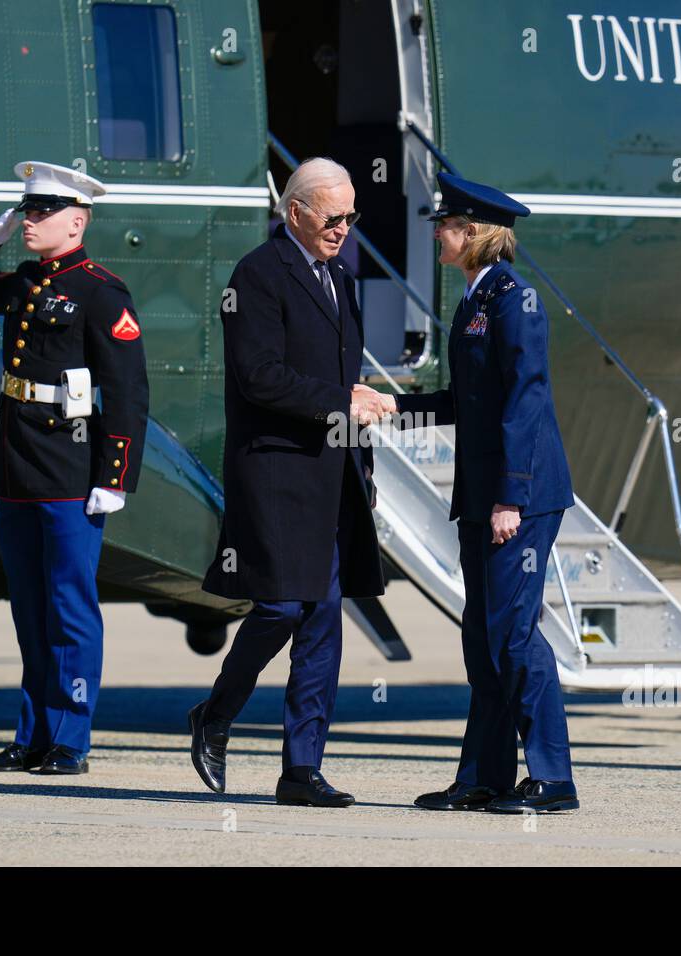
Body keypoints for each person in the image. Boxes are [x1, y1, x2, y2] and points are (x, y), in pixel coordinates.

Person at [361, 172, 579, 813]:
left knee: (515, 635)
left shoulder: (516, 301)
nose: (436, 232)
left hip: (522, 496)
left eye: (446, 224)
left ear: (475, 233)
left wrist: (510, 497)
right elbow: (469, 401)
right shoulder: (476, 302)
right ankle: (485, 776)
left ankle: (553, 779)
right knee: (483, 636)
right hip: (484, 494)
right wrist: (395, 406)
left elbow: (525, 398)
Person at [189, 157, 388, 808]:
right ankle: (217, 712)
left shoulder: (341, 278)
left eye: (351, 216)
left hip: (330, 474)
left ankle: (301, 769)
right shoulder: (258, 275)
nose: (343, 228)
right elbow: (260, 377)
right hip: (275, 471)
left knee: (324, 619)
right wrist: (342, 401)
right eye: (333, 217)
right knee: (279, 606)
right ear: (296, 212)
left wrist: (365, 464)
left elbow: (345, 377)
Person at [0, 161, 148, 775]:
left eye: (41, 212)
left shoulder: (100, 291)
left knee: (68, 608)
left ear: (77, 219)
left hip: (69, 466)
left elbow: (128, 390)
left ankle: (70, 739)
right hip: (17, 467)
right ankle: (32, 736)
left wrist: (113, 477)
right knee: (29, 610)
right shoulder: (25, 282)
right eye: (26, 210)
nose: (30, 219)